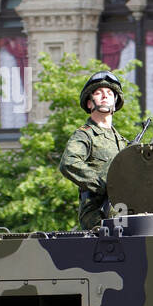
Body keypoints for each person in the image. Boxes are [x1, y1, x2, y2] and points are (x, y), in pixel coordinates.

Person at [59, 71, 129, 229]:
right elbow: (68, 163)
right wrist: (103, 184)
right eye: (98, 93)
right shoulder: (85, 134)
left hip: (123, 214)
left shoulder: (121, 141)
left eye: (110, 93)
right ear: (90, 103)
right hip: (97, 216)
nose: (105, 96)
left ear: (115, 101)